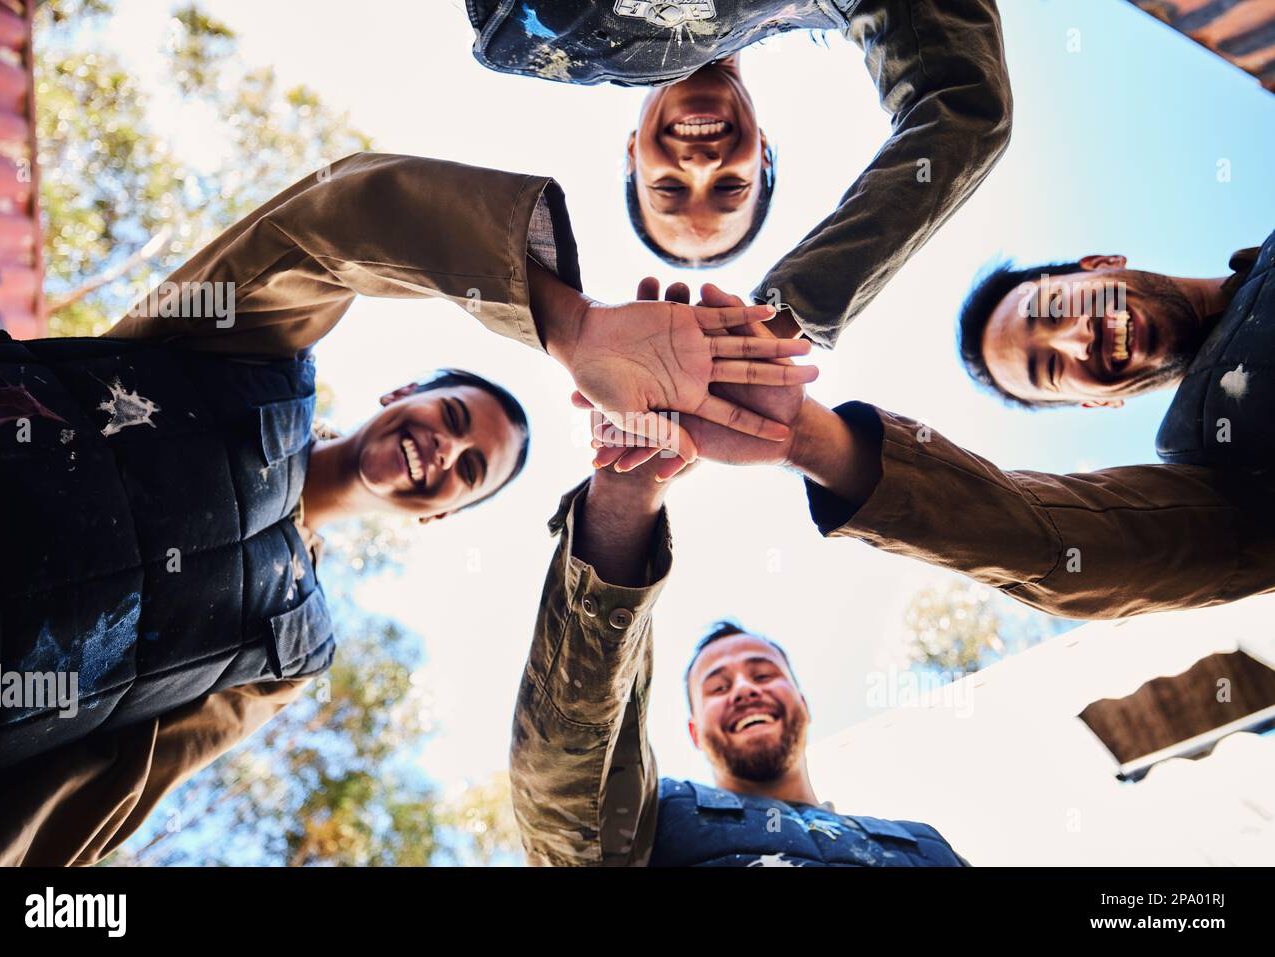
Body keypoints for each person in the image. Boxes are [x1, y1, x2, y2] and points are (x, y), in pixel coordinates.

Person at [0, 152, 812, 863]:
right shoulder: (247, 357)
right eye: (450, 418)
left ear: (438, 515)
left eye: (468, 468)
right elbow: (333, 223)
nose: (441, 451)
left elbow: (108, 785)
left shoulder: (287, 649)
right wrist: (572, 324)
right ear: (402, 391)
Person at [592, 272, 1275, 622]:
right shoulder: (1223, 472)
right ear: (1099, 403)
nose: (1079, 341)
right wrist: (806, 438)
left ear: (1099, 265)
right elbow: (1067, 547)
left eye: (1053, 309)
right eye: (1050, 371)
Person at [509, 382, 966, 866]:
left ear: (805, 705)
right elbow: (563, 794)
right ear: (694, 733)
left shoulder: (923, 845)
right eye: (717, 686)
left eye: (763, 672)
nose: (745, 688)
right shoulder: (652, 819)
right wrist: (627, 490)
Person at [464, 0, 1013, 346]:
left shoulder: (539, 43)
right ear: (764, 155)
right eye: (731, 186)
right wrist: (788, 315)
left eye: (669, 189)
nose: (701, 166)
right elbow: (961, 109)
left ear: (633, 154)